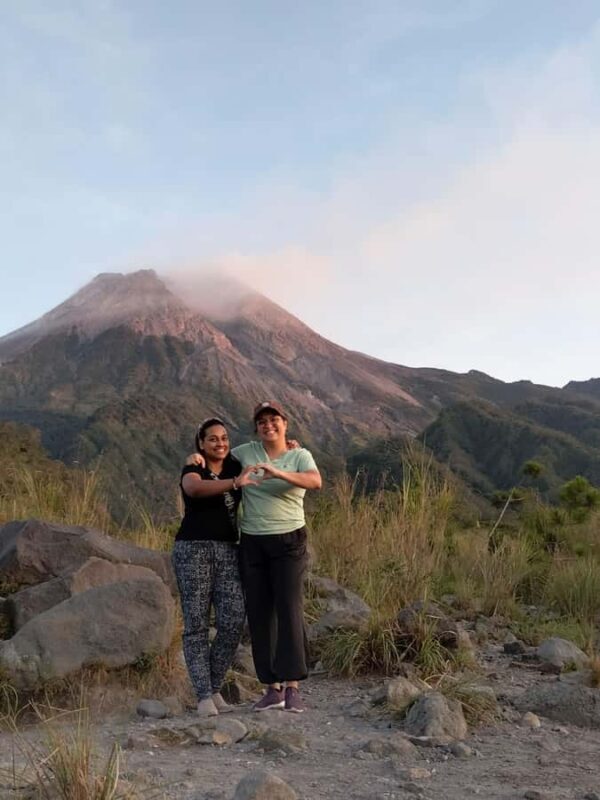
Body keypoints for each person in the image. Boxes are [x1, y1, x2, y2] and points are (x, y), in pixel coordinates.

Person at [188, 401, 321, 714]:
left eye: (274, 419)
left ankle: (292, 687)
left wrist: (280, 472)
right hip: (252, 542)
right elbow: (217, 457)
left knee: (288, 608)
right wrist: (194, 458)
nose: (268, 425)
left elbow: (315, 481)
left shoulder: (299, 455)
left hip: (289, 540)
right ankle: (271, 688)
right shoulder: (246, 452)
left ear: (285, 423)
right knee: (259, 614)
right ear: (256, 427)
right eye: (262, 421)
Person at [172, 417, 259, 717]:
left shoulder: (235, 465)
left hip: (227, 550)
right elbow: (193, 489)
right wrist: (234, 484)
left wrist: (290, 447)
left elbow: (262, 455)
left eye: (224, 438)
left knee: (234, 619)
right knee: (196, 624)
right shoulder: (194, 467)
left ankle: (214, 685)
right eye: (213, 439)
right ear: (201, 443)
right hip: (192, 549)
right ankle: (203, 695)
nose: (220, 443)